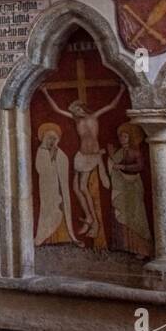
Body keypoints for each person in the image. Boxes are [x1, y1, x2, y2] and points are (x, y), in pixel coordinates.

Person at [40, 86, 125, 243]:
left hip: (92, 156)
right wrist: (45, 92)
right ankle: (89, 217)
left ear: (81, 108)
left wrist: (121, 89)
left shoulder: (94, 117)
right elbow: (57, 109)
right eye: (73, 112)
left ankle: (91, 220)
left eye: (76, 110)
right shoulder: (76, 119)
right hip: (80, 155)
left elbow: (111, 106)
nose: (75, 113)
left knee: (83, 188)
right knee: (76, 188)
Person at [107, 123, 152, 257]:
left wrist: (123, 167)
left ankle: (143, 249)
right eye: (120, 136)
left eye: (125, 136)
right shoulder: (119, 152)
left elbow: (140, 166)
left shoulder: (135, 152)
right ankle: (126, 246)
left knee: (136, 213)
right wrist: (111, 155)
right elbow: (113, 165)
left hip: (134, 185)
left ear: (130, 138)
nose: (122, 139)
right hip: (122, 187)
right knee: (123, 213)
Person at [34, 122, 78, 246]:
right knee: (49, 210)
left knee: (61, 208)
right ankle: (47, 238)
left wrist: (55, 156)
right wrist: (51, 157)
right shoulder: (41, 151)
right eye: (49, 138)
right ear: (44, 138)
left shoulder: (60, 153)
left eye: (54, 139)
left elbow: (64, 164)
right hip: (47, 188)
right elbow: (40, 169)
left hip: (59, 188)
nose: (51, 141)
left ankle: (63, 237)